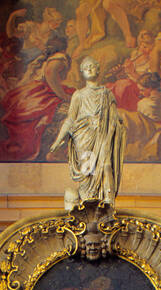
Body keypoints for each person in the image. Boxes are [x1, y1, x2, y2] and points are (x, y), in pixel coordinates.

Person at [50, 56, 127, 207]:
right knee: (87, 171)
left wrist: (113, 130)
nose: (89, 69)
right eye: (86, 67)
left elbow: (114, 118)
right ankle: (86, 202)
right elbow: (70, 120)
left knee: (106, 166)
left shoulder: (106, 94)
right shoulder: (78, 95)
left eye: (92, 66)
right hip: (83, 138)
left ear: (98, 70)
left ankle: (108, 202)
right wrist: (58, 140)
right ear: (82, 72)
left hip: (103, 135)